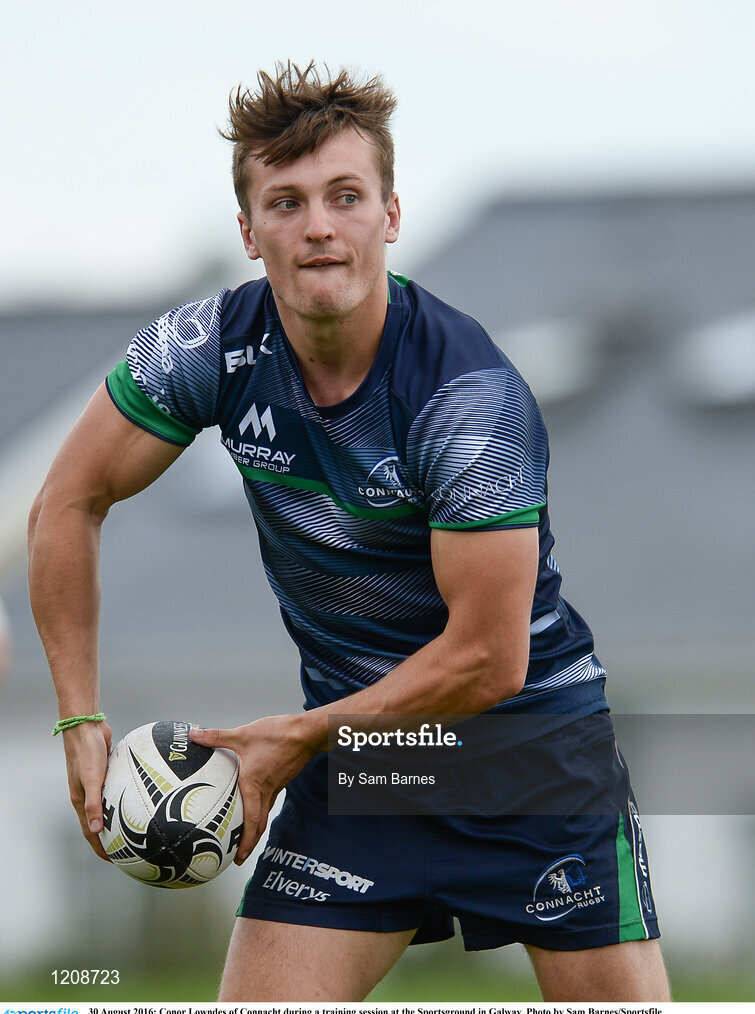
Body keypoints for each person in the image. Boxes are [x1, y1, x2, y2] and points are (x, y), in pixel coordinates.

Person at [28, 62, 670, 1002]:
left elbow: (487, 661)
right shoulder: (205, 348)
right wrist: (81, 719)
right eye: (285, 202)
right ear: (249, 233)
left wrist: (298, 736)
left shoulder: (466, 397)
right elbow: (65, 503)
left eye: (344, 196)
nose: (319, 226)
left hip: (527, 761)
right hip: (362, 763)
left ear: (390, 215)